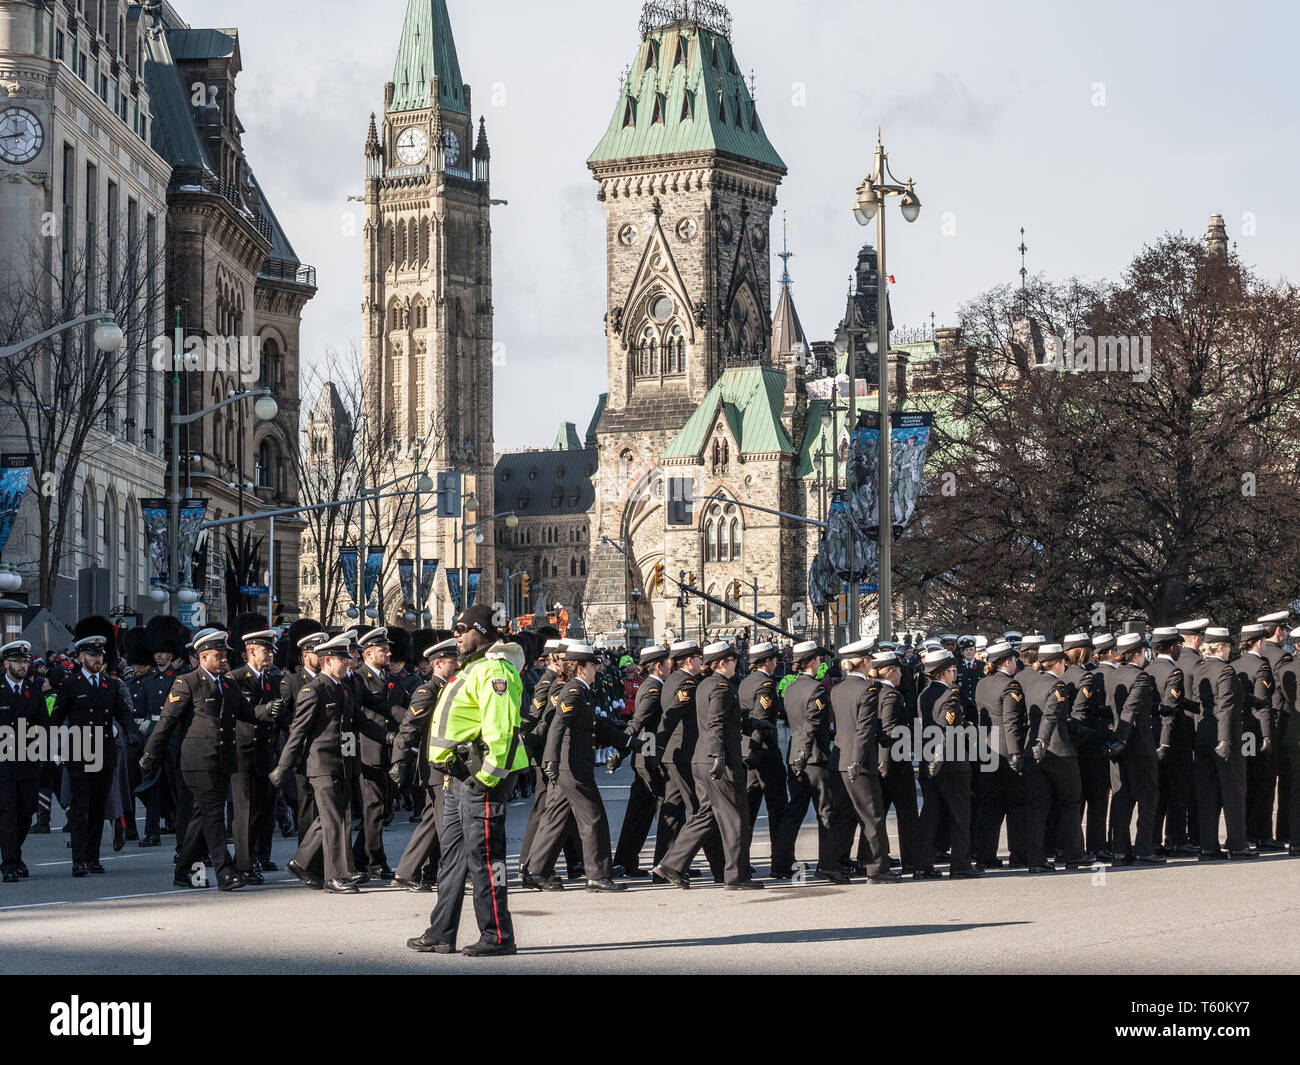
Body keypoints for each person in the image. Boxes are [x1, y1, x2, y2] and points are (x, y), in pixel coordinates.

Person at [407, 605, 530, 957]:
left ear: (481, 631)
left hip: (480, 779)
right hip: (459, 778)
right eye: (455, 628)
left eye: (462, 628)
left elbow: (502, 729)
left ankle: (497, 935)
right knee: (452, 858)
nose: (455, 634)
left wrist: (486, 778)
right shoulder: (471, 669)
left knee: (485, 857)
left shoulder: (493, 671)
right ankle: (441, 932)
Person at [142, 629, 274, 891]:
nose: (225, 660)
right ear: (203, 657)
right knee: (213, 814)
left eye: (225, 655)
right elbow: (167, 721)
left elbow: (246, 713)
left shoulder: (229, 684)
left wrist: (267, 710)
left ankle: (184, 870)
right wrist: (151, 753)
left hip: (223, 759)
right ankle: (226, 872)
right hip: (197, 760)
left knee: (201, 817)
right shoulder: (187, 682)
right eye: (219, 655)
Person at [653, 642, 762, 890]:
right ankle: (737, 876)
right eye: (733, 660)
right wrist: (717, 756)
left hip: (701, 759)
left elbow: (721, 719)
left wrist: (753, 723)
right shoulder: (722, 687)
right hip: (719, 759)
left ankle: (671, 864)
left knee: (705, 815)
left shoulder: (704, 685)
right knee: (735, 818)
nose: (737, 664)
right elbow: (715, 723)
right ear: (723, 663)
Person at [533, 642, 630, 892]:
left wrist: (629, 740)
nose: (596, 668)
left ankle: (536, 871)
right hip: (573, 767)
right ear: (579, 667)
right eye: (592, 664)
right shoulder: (573, 691)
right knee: (593, 818)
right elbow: (557, 726)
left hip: (571, 765)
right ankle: (597, 875)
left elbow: (596, 725)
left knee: (555, 818)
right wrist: (551, 761)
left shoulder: (582, 690)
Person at [270, 631, 361, 893]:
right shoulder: (314, 690)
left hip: (341, 762)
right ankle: (335, 876)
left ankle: (300, 862)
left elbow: (358, 721)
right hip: (321, 764)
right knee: (333, 819)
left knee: (331, 817)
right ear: (328, 660)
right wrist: (282, 768)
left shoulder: (341, 687)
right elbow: (298, 732)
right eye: (343, 659)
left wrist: (389, 736)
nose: (348, 663)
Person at [50, 634, 136, 877]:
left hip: (104, 751)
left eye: (99, 655)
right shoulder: (71, 684)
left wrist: (131, 732)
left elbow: (123, 713)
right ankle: (79, 859)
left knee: (98, 807)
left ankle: (93, 857)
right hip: (78, 751)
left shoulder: (111, 684)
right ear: (80, 657)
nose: (97, 659)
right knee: (80, 807)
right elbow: (56, 718)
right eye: (91, 655)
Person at [770, 641, 852, 881]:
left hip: (795, 754)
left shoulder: (791, 687)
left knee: (793, 811)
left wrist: (797, 756)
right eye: (818, 661)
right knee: (826, 812)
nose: (821, 665)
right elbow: (813, 725)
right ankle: (828, 863)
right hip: (813, 757)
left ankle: (781, 863)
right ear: (812, 662)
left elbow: (791, 721)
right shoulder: (816, 690)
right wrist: (805, 754)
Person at [829, 641, 902, 884]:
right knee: (873, 817)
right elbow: (863, 729)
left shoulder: (837, 689)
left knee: (843, 815)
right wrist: (858, 761)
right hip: (858, 762)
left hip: (840, 760)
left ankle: (829, 864)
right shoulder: (868, 689)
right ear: (866, 662)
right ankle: (877, 869)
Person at [390, 637, 459, 891]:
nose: (458, 665)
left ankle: (413, 872)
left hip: (445, 766)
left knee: (432, 821)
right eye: (453, 661)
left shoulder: (450, 688)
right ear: (437, 664)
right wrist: (399, 760)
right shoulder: (427, 691)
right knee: (445, 824)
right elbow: (408, 728)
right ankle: (448, 873)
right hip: (434, 767)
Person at [656, 641, 724, 882]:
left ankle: (663, 866)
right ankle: (719, 868)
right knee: (702, 811)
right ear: (689, 660)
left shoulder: (674, 680)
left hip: (677, 755)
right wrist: (658, 744)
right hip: (683, 756)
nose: (700, 661)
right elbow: (671, 716)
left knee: (674, 812)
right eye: (697, 657)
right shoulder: (685, 683)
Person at [1189, 627, 1256, 860]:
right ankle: (1237, 844)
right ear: (1219, 647)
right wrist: (1225, 740)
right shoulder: (1226, 671)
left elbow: (1202, 703)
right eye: (1227, 646)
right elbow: (1225, 707)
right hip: (1224, 735)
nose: (1230, 650)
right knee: (1233, 791)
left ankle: (1209, 847)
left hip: (1204, 734)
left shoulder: (1201, 669)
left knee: (1207, 793)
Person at [226, 628, 284, 884]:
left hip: (266, 750)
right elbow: (235, 712)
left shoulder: (272, 679)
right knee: (245, 810)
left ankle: (260, 855)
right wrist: (264, 710)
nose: (270, 655)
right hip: (243, 750)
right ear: (251, 651)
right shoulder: (236, 678)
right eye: (266, 650)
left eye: (272, 651)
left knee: (264, 807)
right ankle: (243, 863)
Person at [611, 645, 671, 877]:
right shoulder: (653, 689)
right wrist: (621, 751)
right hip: (649, 758)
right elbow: (637, 723)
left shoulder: (654, 685)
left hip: (645, 758)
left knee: (640, 814)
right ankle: (669, 864)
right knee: (667, 808)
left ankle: (626, 862)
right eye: (666, 664)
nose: (669, 667)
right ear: (658, 666)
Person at [352, 627, 402, 880]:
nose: (388, 653)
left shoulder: (389, 676)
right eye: (383, 650)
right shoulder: (358, 678)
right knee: (374, 806)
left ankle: (359, 857)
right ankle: (375, 861)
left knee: (382, 808)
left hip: (389, 749)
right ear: (368, 654)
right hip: (368, 749)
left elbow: (397, 707)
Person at [1233, 624, 1283, 850]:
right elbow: (1264, 705)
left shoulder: (1234, 665)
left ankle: (1247, 832)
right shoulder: (1261, 667)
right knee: (1263, 783)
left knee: (1246, 781)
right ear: (1259, 642)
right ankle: (1262, 834)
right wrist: (1268, 737)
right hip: (1257, 731)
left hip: (1243, 731)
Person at [737, 642, 788, 861]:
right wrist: (757, 751)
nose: (776, 664)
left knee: (748, 808)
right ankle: (781, 860)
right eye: (774, 660)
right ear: (766, 661)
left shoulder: (745, 682)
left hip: (746, 749)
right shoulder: (765, 684)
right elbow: (761, 719)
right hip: (764, 752)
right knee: (778, 807)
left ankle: (741, 860)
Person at [0, 641, 45, 883]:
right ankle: (8, 863)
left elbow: (45, 723)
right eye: (18, 661)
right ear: (6, 663)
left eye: (25, 661)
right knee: (8, 814)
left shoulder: (34, 690)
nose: (23, 665)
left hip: (28, 760)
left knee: (27, 813)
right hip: (4, 763)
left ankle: (15, 854)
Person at [281, 627, 327, 846]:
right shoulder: (292, 682)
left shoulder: (327, 680)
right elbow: (284, 715)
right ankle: (305, 853)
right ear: (305, 655)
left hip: (325, 751)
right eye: (317, 652)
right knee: (307, 806)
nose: (321, 657)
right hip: (302, 751)